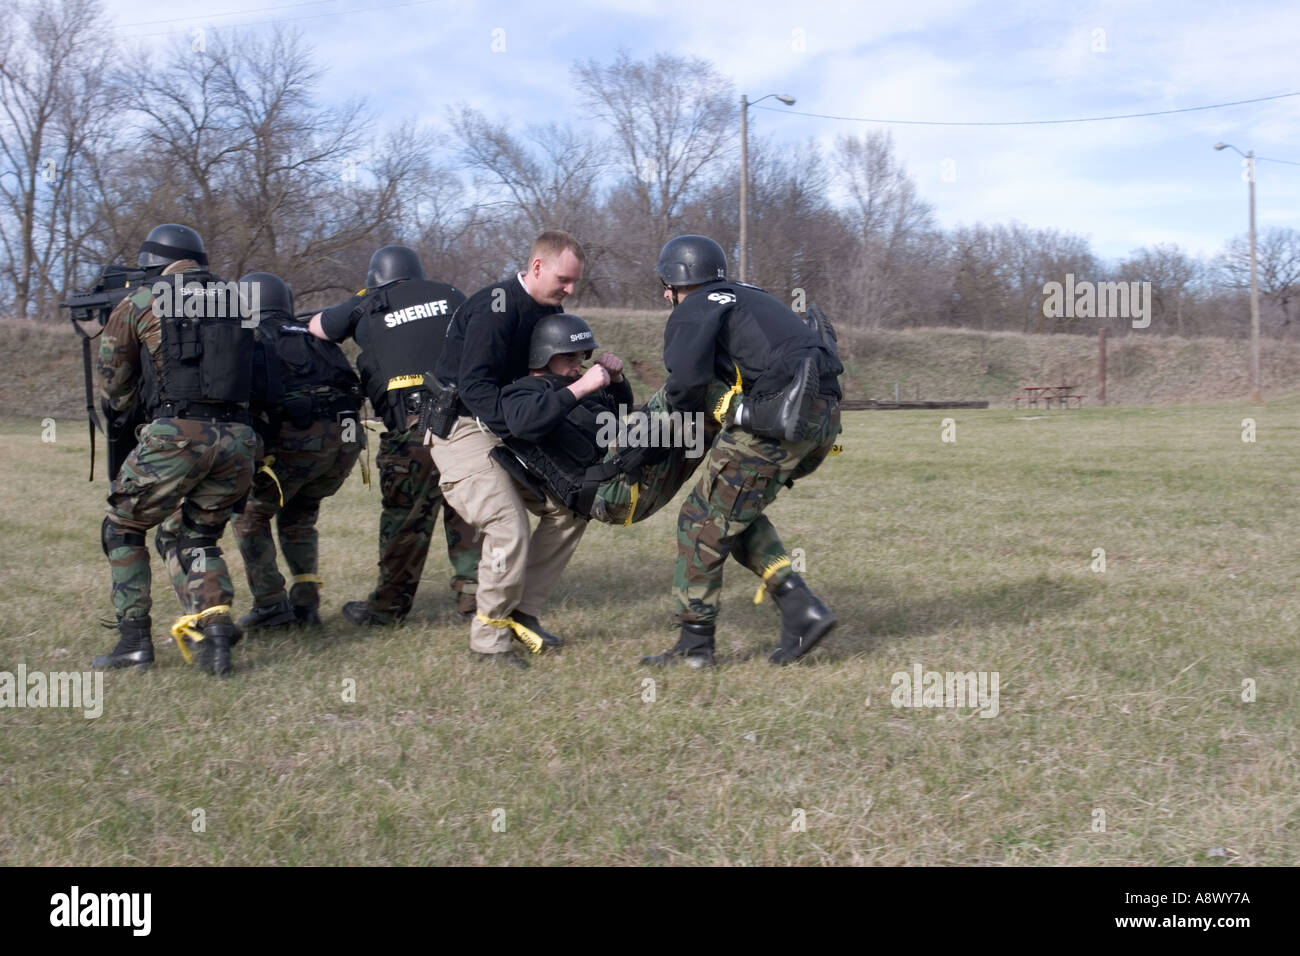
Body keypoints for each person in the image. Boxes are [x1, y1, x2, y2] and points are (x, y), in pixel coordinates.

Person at [640, 235, 844, 669]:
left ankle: (694, 649)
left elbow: (684, 387)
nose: (665, 295)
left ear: (679, 281)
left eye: (667, 285)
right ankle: (800, 609)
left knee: (700, 522)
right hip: (822, 417)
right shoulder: (749, 295)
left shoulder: (693, 309)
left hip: (776, 418)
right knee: (733, 514)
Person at [93, 224, 260, 676]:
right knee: (199, 537)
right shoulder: (242, 302)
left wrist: (143, 418)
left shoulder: (140, 301)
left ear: (153, 264)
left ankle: (133, 643)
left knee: (122, 527)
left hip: (177, 434)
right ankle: (216, 631)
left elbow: (114, 383)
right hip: (240, 440)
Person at [425, 231, 589, 668]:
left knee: (570, 508)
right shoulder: (494, 307)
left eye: (575, 283)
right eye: (564, 279)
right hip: (461, 426)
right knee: (507, 524)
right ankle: (489, 640)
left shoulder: (550, 310)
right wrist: (527, 419)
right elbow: (476, 389)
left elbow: (552, 371)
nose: (569, 291)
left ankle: (522, 612)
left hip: (510, 426)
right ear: (537, 266)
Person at [307, 245, 479, 625]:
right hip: (466, 426)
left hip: (413, 430)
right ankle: (476, 601)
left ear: (375, 277)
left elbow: (318, 328)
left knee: (405, 522)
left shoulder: (370, 300)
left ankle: (388, 609)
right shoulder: (451, 294)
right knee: (468, 514)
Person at [232, 272, 362, 629]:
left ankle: (271, 606)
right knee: (299, 516)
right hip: (344, 445)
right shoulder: (315, 335)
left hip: (297, 441)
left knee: (249, 517)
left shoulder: (252, 336)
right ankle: (306, 605)